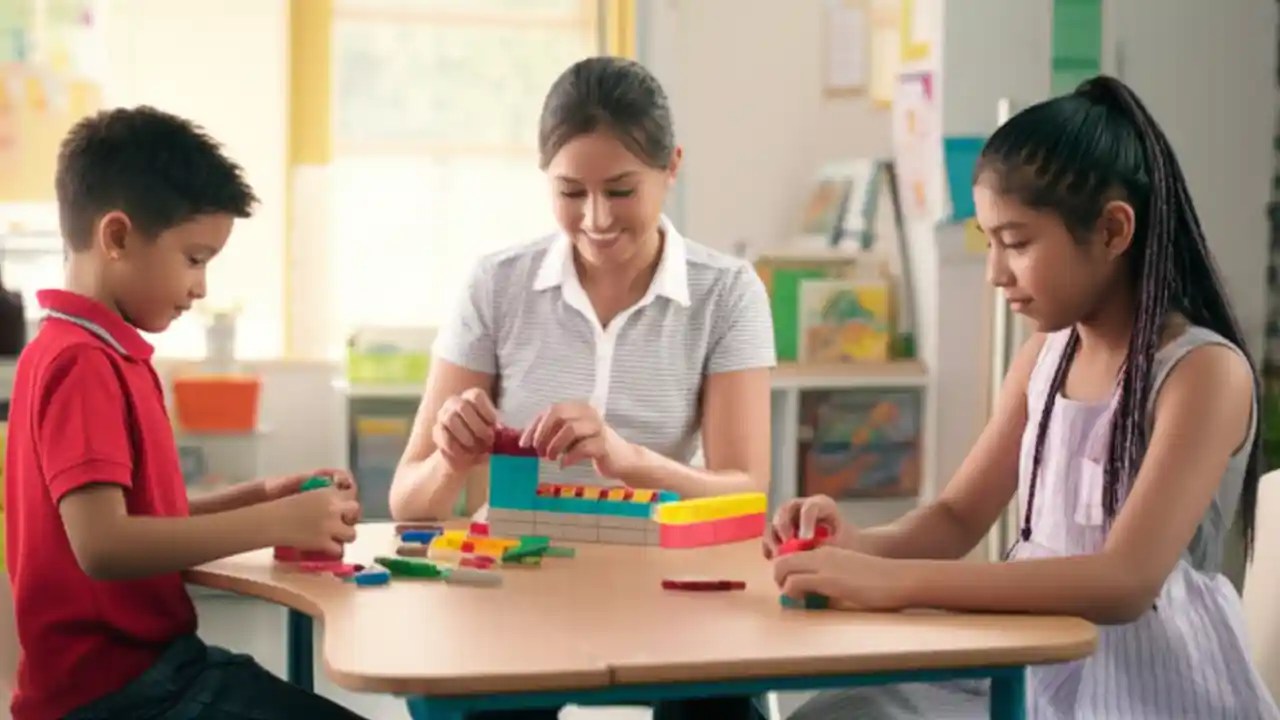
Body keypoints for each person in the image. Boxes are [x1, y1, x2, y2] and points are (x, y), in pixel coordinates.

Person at [766, 75, 1280, 719]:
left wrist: (893, 583)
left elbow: (1123, 583)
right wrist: (856, 547)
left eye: (1017, 242)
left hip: (1144, 686)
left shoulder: (1201, 372)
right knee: (836, 712)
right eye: (990, 243)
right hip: (1032, 657)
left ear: (1114, 231)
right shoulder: (1047, 353)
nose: (994, 272)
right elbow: (956, 516)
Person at [389, 56, 775, 719]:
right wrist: (453, 459)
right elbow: (408, 502)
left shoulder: (727, 291)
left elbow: (746, 494)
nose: (596, 219)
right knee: (459, 702)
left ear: (671, 167)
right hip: (517, 582)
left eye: (621, 190)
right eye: (571, 193)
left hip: (669, 582)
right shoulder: (496, 284)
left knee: (722, 707)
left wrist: (629, 460)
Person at [4, 106, 367, 720]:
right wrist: (278, 520)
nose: (200, 288)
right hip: (122, 693)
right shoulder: (83, 363)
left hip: (151, 673)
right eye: (194, 259)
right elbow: (105, 546)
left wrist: (256, 498)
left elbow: (131, 520)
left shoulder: (90, 351)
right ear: (116, 237)